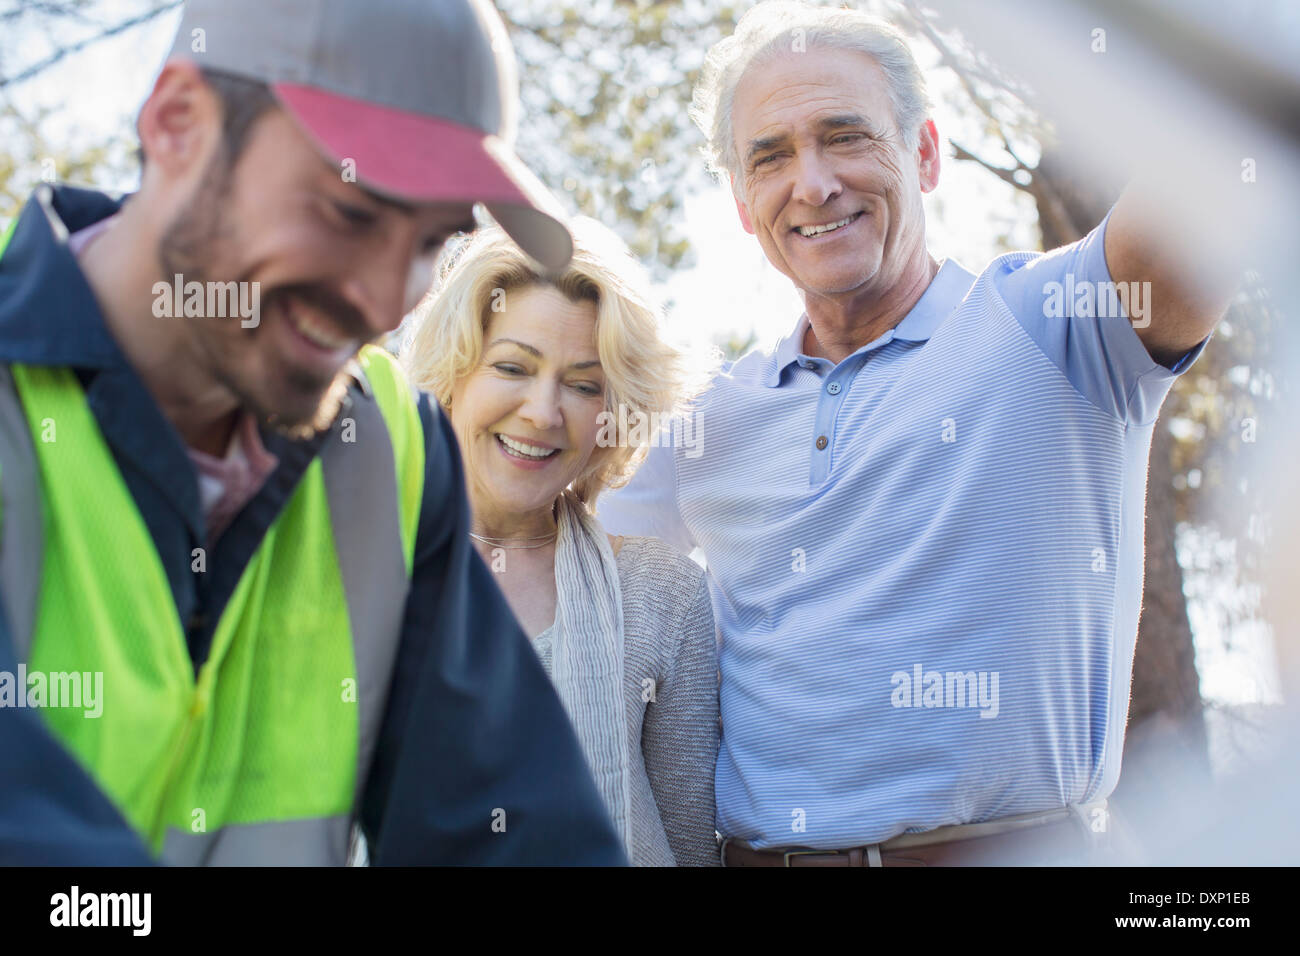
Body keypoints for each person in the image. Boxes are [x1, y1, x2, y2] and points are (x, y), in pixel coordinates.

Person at [598, 0, 1233, 866]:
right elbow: (542, 555)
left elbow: (1214, 175)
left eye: (846, 136)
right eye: (771, 156)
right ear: (744, 204)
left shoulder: (1054, 325)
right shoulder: (703, 415)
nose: (813, 183)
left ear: (926, 153)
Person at [0, 0, 626, 865]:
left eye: (432, 242)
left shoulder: (395, 447)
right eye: (352, 212)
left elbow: (514, 831)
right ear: (178, 124)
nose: (382, 301)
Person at [401, 222, 720, 866]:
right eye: (512, 367)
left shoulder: (662, 593)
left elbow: (690, 849)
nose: (543, 413)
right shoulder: (345, 564)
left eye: (582, 384)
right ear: (455, 372)